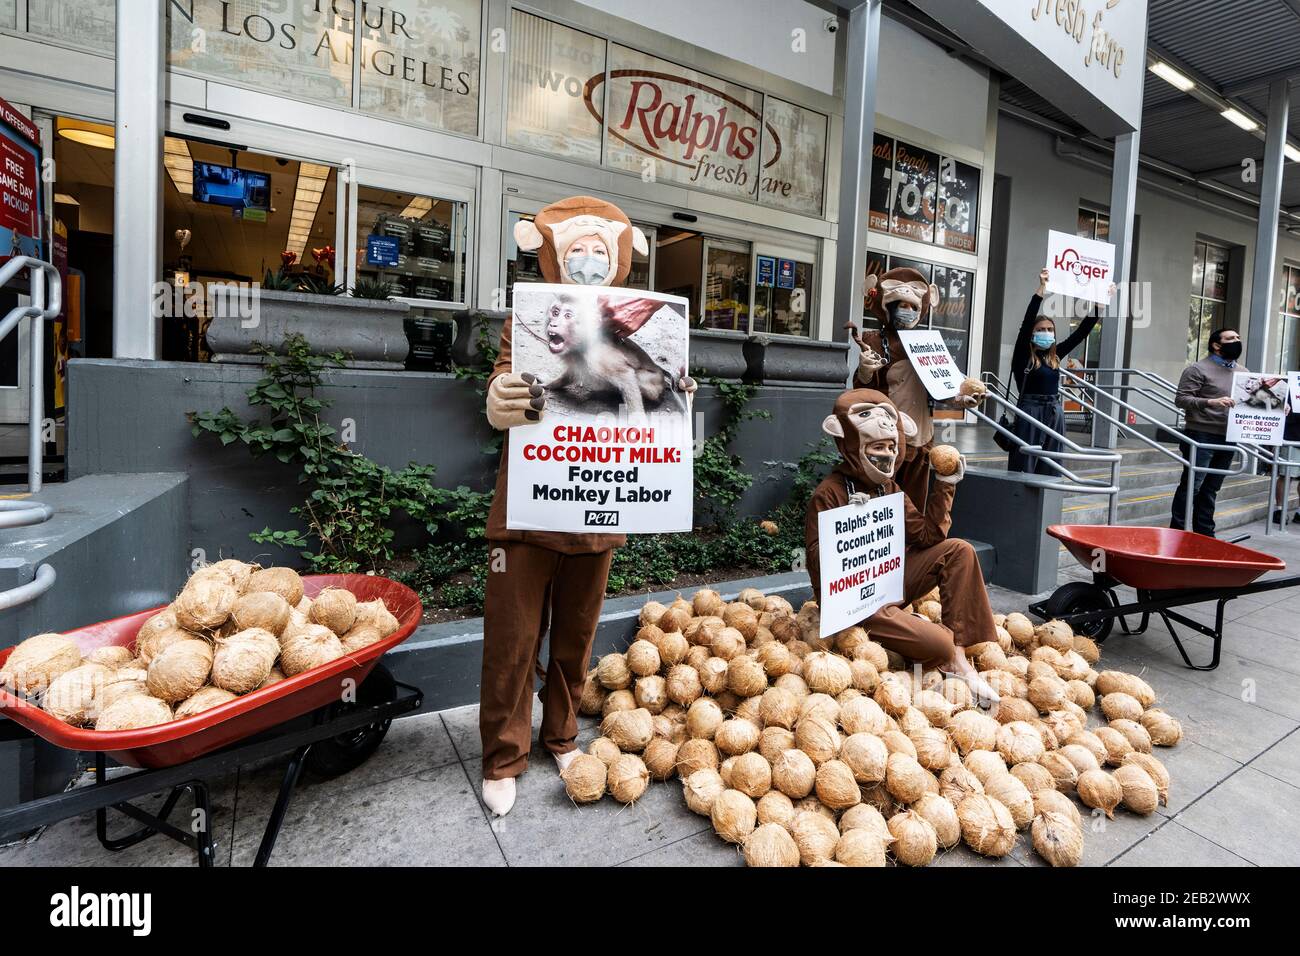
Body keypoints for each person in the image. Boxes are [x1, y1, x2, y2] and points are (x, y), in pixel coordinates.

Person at [479, 195, 694, 816]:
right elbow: (504, 377)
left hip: (598, 506)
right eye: (578, 251)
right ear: (554, 257)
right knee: (515, 638)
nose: (590, 261)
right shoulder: (528, 319)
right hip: (530, 508)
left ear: (619, 260)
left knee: (576, 635)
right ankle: (503, 755)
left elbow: (645, 393)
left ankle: (562, 735)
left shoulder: (624, 337)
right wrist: (500, 395)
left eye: (601, 252)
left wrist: (677, 398)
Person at [805, 387, 1001, 705]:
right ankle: (942, 647)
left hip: (889, 580)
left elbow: (927, 537)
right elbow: (820, 572)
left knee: (959, 551)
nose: (885, 454)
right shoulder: (829, 493)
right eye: (876, 446)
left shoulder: (889, 487)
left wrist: (946, 486)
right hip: (857, 601)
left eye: (890, 447)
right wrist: (854, 527)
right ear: (849, 445)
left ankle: (959, 658)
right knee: (938, 643)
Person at [1006, 269, 1109, 474]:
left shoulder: (1055, 356)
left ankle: (1046, 501)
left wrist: (1100, 303)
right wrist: (1042, 288)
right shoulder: (1023, 357)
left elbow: (1080, 334)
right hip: (1030, 411)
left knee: (1052, 464)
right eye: (1041, 330)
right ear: (1032, 334)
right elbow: (1027, 322)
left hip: (1054, 412)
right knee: (1024, 462)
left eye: (1050, 330)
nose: (1046, 333)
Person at [1170, 327, 1242, 537]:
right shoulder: (1197, 369)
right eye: (1231, 338)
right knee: (1192, 485)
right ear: (1216, 345)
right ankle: (1177, 531)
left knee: (1211, 488)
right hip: (1201, 434)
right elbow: (1181, 399)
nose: (1237, 341)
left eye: (1237, 338)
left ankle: (1205, 533)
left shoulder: (1244, 373)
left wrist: (1278, 409)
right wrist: (1210, 402)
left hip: (1229, 436)